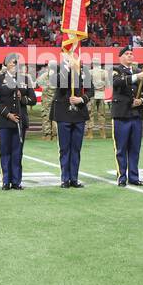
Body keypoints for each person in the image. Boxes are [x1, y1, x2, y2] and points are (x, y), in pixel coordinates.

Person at [0, 53, 35, 190]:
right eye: (12, 62)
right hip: (4, 121)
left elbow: (33, 99)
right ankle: (6, 181)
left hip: (20, 121)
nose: (15, 64)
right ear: (6, 64)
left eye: (17, 62)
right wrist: (8, 115)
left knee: (17, 152)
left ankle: (16, 181)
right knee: (4, 151)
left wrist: (22, 99)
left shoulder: (25, 79)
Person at [52, 54, 92, 188]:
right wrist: (67, 69)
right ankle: (65, 179)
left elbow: (90, 90)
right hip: (63, 113)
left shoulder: (83, 70)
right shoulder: (59, 68)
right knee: (64, 148)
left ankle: (74, 178)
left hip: (79, 113)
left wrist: (82, 99)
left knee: (76, 148)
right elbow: (56, 83)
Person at [111, 46, 143, 187]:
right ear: (120, 57)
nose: (129, 56)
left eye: (131, 54)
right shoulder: (116, 70)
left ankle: (134, 176)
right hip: (121, 114)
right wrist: (135, 78)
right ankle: (121, 176)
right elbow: (117, 82)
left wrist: (142, 100)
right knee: (121, 148)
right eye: (126, 54)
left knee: (135, 148)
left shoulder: (140, 72)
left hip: (136, 115)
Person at [88, 61, 110, 138]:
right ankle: (103, 133)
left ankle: (90, 133)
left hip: (92, 94)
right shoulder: (105, 72)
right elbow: (108, 84)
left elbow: (87, 84)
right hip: (101, 94)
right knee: (102, 114)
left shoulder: (89, 72)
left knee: (90, 113)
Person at [36, 62, 57, 140]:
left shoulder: (44, 75)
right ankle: (55, 135)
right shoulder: (59, 76)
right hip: (56, 100)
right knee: (55, 117)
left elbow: (36, 84)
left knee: (46, 116)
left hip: (46, 100)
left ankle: (47, 134)